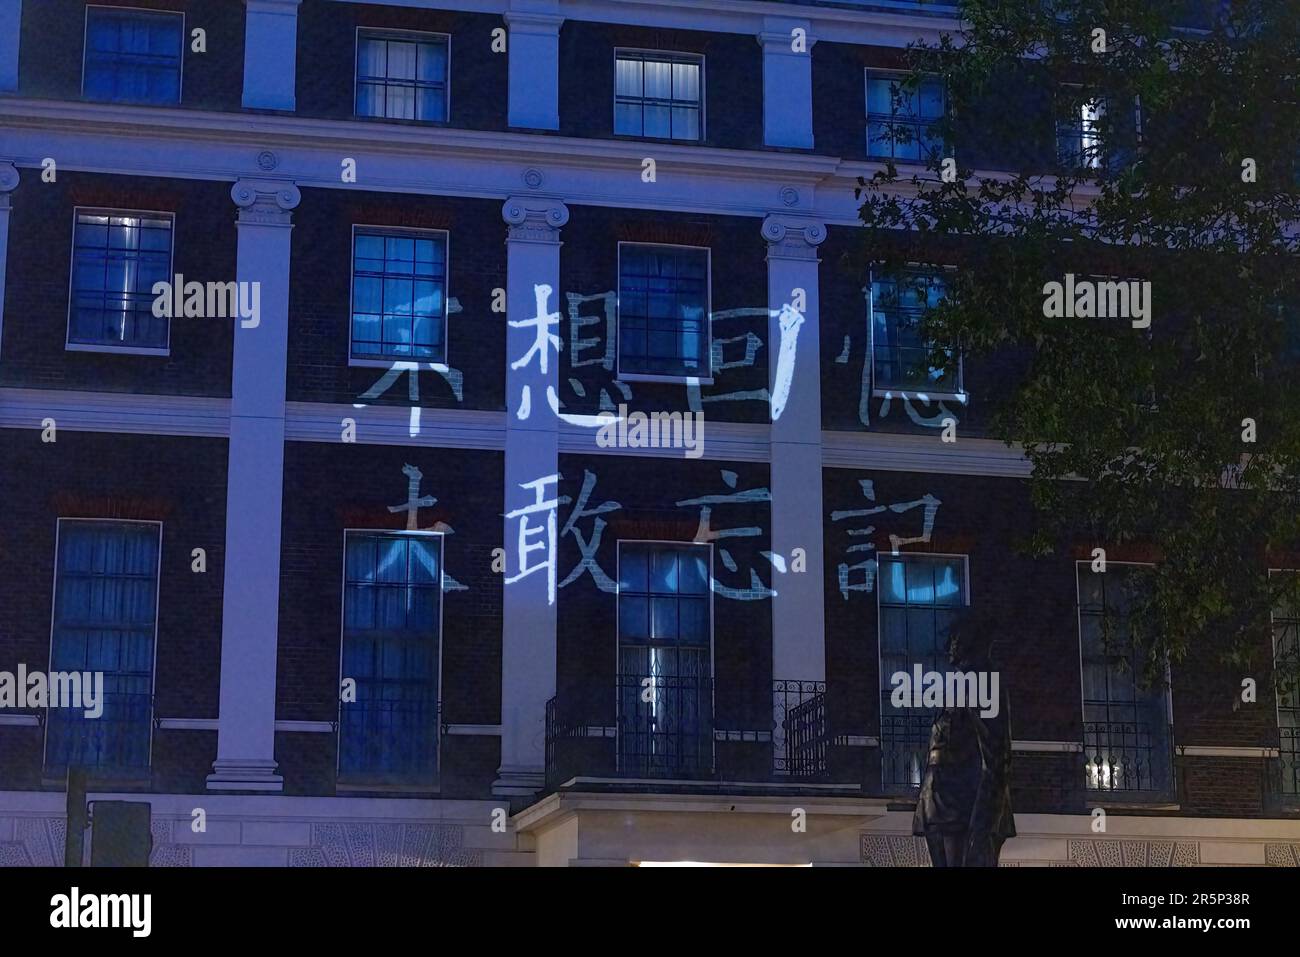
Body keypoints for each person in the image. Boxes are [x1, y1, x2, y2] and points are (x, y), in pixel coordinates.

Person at [913, 605, 1016, 866]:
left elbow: (996, 754)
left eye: (956, 636)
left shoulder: (981, 679)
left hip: (961, 809)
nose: (949, 644)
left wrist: (983, 822)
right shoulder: (960, 683)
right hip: (941, 805)